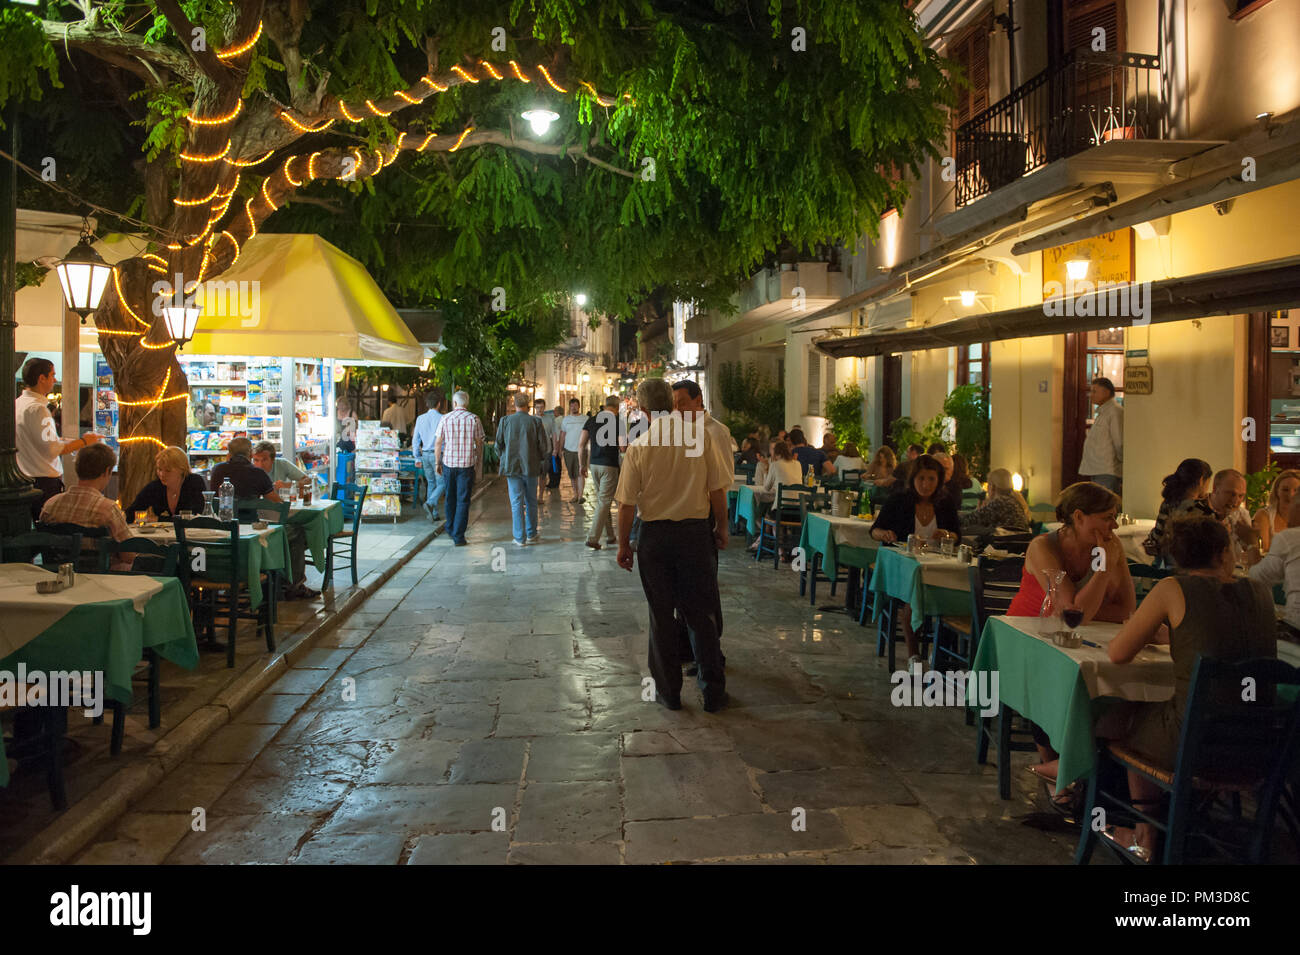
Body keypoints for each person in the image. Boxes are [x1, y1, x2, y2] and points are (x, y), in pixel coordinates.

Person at [1102, 515, 1276, 860]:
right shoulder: (1260, 591)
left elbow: (1118, 653)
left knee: (1119, 716)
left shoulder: (1172, 588)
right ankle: (1191, 821)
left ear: (1177, 558)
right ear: (1225, 553)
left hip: (1194, 745)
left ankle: (1143, 835)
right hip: (1261, 746)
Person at [1006, 482, 1136, 787]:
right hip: (1028, 639)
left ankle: (1077, 767)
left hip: (1085, 640)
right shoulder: (1044, 547)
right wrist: (1101, 573)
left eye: (1115, 516)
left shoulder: (1109, 546)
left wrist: (1084, 605)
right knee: (1054, 675)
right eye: (1106, 517)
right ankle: (1056, 767)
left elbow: (1127, 611)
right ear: (1078, 517)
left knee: (1113, 682)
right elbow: (1070, 612)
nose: (1114, 525)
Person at [614, 378, 729, 712]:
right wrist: (721, 528)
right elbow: (717, 492)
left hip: (655, 538)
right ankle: (712, 691)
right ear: (673, 403)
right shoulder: (700, 438)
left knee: (661, 616)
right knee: (701, 614)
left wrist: (624, 544)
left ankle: (669, 691)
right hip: (695, 535)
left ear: (644, 409)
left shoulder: (640, 446)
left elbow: (625, 505)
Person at [870, 454, 961, 665]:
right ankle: (914, 654)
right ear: (913, 479)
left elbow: (957, 536)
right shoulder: (899, 500)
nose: (926, 484)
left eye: (931, 479)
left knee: (952, 593)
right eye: (921, 478)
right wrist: (885, 534)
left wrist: (947, 535)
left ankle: (942, 653)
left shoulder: (945, 503)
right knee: (914, 594)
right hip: (904, 565)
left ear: (938, 481)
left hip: (936, 565)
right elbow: (874, 530)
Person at [15, 357, 103, 519]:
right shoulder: (38, 409)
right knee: (49, 531)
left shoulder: (18, 404)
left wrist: (74, 442)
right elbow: (52, 449)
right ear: (42, 378)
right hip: (44, 483)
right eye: (52, 375)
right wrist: (85, 442)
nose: (55, 380)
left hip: (24, 479)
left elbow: (43, 441)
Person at [38, 443, 132, 567]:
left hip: (59, 575)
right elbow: (129, 555)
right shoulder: (108, 509)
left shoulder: (50, 505)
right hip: (101, 578)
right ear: (107, 471)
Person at [495, 392, 551, 546]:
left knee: (516, 502)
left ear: (514, 404)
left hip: (511, 467)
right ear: (529, 404)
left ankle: (519, 537)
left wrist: (504, 457)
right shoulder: (535, 422)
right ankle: (532, 533)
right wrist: (537, 458)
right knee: (531, 500)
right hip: (531, 467)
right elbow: (543, 446)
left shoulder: (505, 421)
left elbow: (498, 445)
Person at [434, 390, 484, 547]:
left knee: (450, 497)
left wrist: (437, 462)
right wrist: (478, 461)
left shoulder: (445, 418)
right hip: (466, 465)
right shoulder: (474, 419)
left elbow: (438, 442)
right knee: (463, 500)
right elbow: (479, 442)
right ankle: (459, 535)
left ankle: (450, 527)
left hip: (449, 464)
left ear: (454, 403)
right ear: (466, 403)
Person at [1249, 493, 1300, 639]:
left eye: (1292, 505)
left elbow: (1258, 579)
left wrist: (1251, 542)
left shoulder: (1289, 537)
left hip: (1295, 632)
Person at [1141, 458, 1213, 561]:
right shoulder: (1201, 509)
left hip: (1163, 565)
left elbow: (1156, 537)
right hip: (1189, 566)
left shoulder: (1167, 503)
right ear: (1202, 480)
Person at [580, 395, 623, 550]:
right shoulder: (618, 422)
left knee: (602, 501)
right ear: (617, 408)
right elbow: (623, 447)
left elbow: (581, 445)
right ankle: (593, 538)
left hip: (594, 465)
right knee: (604, 502)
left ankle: (611, 536)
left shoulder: (591, 420)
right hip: (609, 465)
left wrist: (581, 465)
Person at [125, 446, 208, 521]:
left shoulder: (194, 483)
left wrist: (158, 519)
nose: (162, 474)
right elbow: (131, 513)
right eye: (159, 469)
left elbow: (195, 517)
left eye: (168, 470)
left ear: (182, 469)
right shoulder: (155, 487)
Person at [670, 379, 732, 479]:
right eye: (673, 406)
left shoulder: (717, 431)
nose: (676, 410)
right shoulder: (677, 430)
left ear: (698, 401)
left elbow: (723, 478)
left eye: (682, 403)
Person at [1078, 377, 1123, 495]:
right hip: (1098, 469)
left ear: (1106, 392)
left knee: (1106, 505)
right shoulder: (1104, 411)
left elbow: (1119, 442)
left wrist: (1122, 463)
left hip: (1108, 469)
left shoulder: (1115, 412)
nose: (1090, 395)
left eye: (1094, 391)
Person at [1205, 468, 1257, 561]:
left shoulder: (1242, 515)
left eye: (1241, 496)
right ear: (1215, 488)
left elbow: (1247, 552)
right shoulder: (1197, 511)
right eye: (1231, 494)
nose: (1236, 501)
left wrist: (1250, 539)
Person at [960, 467, 1030, 538]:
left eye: (988, 485)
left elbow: (968, 520)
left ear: (992, 487)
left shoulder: (999, 503)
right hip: (1019, 545)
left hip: (1003, 545)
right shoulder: (1014, 501)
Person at [209, 437, 280, 501]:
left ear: (229, 454)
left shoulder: (217, 469)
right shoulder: (258, 473)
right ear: (251, 454)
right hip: (249, 515)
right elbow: (275, 501)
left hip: (222, 514)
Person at [411, 393, 446, 523]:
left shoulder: (420, 419)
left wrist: (417, 458)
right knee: (443, 483)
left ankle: (434, 513)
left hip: (425, 455)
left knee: (431, 483)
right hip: (439, 455)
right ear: (439, 404)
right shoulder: (443, 418)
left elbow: (415, 440)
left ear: (427, 404)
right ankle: (430, 502)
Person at [1253, 468, 1300, 553]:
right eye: (1285, 490)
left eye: (1296, 490)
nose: (1290, 495)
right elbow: (1262, 551)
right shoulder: (1264, 515)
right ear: (1277, 491)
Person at [559, 398, 588, 502]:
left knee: (581, 473)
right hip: (569, 450)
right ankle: (575, 494)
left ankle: (580, 496)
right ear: (569, 407)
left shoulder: (586, 418)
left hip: (582, 450)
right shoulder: (566, 420)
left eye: (575, 405)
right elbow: (563, 435)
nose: (574, 407)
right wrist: (560, 449)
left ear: (579, 406)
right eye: (572, 405)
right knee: (572, 474)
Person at [533, 398, 560, 497]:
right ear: (534, 408)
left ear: (544, 407)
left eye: (541, 407)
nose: (540, 409)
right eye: (537, 407)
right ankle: (533, 496)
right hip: (534, 452)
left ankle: (540, 496)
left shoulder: (550, 419)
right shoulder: (531, 419)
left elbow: (554, 434)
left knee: (543, 475)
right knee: (533, 476)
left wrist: (555, 449)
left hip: (546, 450)